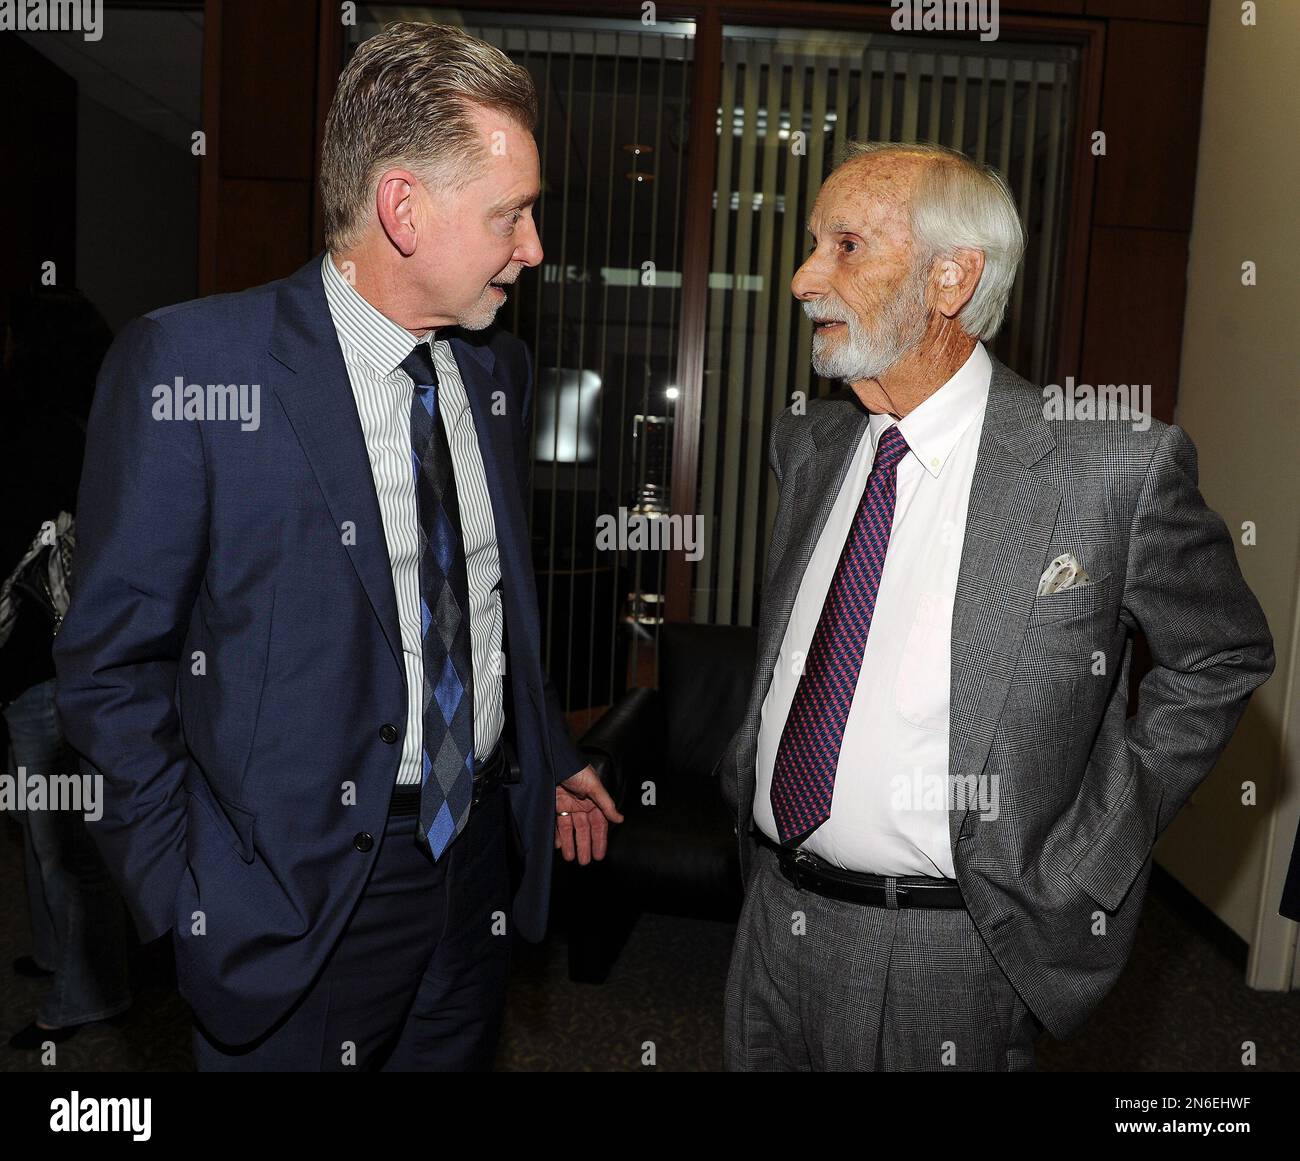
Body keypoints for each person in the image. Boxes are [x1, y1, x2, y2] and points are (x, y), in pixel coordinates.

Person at [53, 21, 621, 1072]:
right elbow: (108, 670)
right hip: (292, 899)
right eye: (512, 214)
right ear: (403, 208)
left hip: (475, 871)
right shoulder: (194, 367)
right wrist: (189, 894)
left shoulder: (498, 371)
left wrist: (543, 753)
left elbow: (486, 597)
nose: (534, 248)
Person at [717, 141, 1274, 1071]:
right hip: (771, 918)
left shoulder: (1111, 467)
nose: (804, 277)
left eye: (846, 245)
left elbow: (1220, 658)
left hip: (952, 954)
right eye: (814, 242)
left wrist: (1093, 855)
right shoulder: (809, 447)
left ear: (950, 278)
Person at [0, 287, 131, 1050]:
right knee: (41, 827)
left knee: (65, 842)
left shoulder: (47, 436)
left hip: (52, 668)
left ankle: (92, 990)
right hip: (47, 666)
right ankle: (58, 956)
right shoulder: (84, 426)